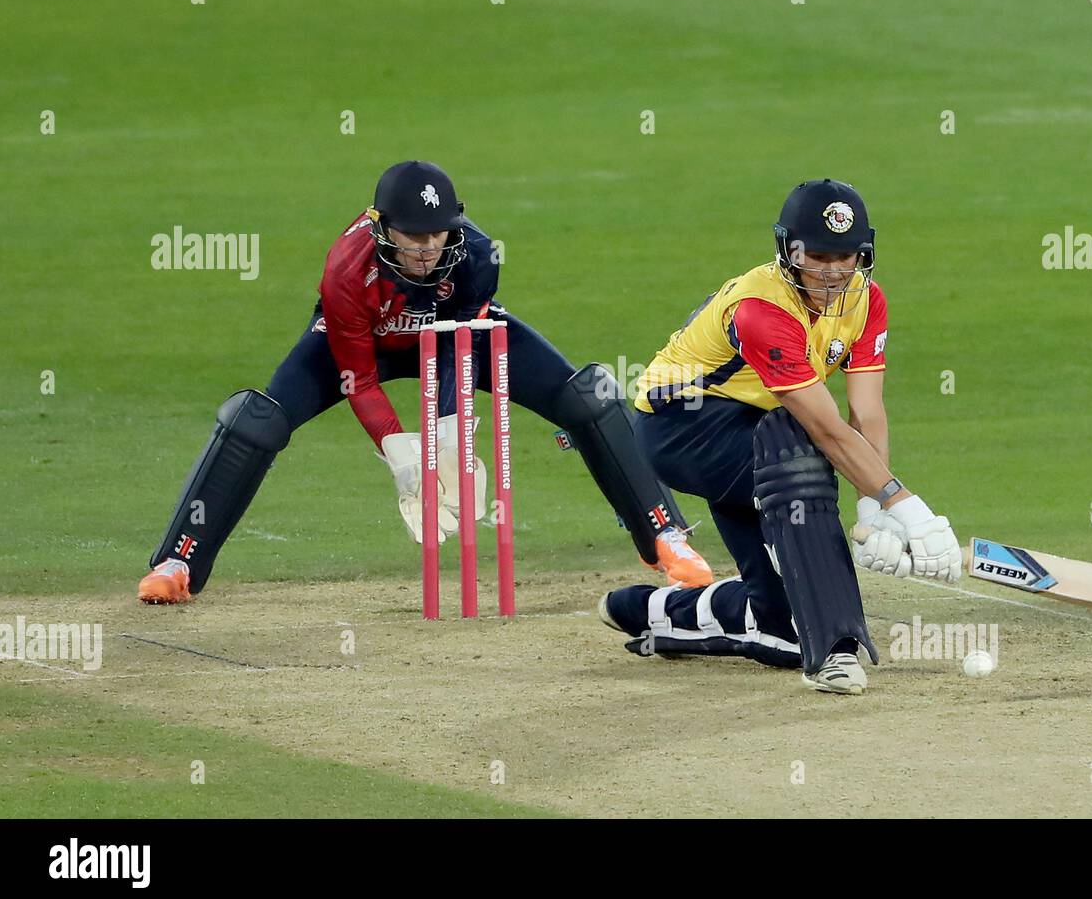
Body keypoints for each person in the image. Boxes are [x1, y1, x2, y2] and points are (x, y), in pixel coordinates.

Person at [138, 160, 712, 603]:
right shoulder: (346, 270)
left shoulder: (476, 257)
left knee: (589, 395)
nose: (427, 248)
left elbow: (454, 348)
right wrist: (401, 455)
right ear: (382, 226)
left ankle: (665, 536)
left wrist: (448, 437)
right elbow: (356, 377)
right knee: (254, 419)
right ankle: (178, 563)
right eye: (413, 237)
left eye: (438, 234)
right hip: (364, 344)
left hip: (450, 341)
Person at [597, 178, 960, 695]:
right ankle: (834, 649)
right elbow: (828, 430)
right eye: (819, 255)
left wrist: (873, 512)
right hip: (682, 429)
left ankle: (653, 611)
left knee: (780, 625)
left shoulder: (867, 300)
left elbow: (867, 412)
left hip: (755, 430)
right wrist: (909, 510)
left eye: (846, 255)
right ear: (790, 252)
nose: (834, 271)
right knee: (802, 458)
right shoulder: (762, 309)